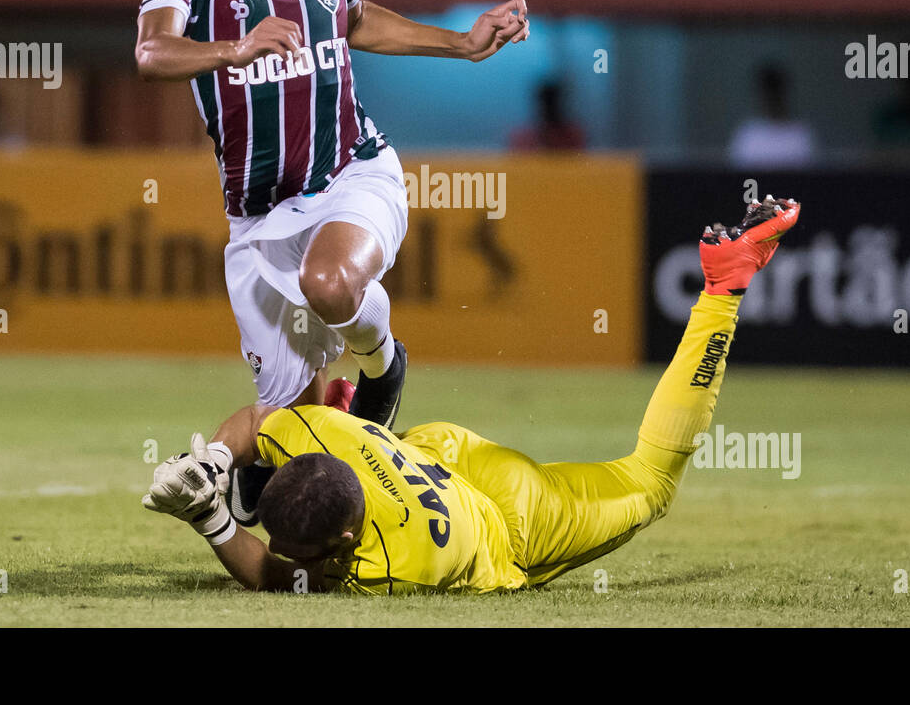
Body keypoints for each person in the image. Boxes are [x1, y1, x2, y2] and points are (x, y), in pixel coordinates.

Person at [133, 0, 530, 522]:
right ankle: (254, 484)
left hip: (353, 171)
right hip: (257, 220)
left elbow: (352, 20)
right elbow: (152, 53)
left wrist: (463, 45)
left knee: (328, 281)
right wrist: (233, 48)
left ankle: (382, 363)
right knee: (282, 458)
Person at [142, 195, 801, 593]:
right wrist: (216, 463)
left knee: (651, 482)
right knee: (347, 429)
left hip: (504, 525)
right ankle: (376, 388)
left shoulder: (393, 568)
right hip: (447, 457)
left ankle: (723, 289)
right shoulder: (326, 442)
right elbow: (265, 421)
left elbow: (279, 580)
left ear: (342, 542)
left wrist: (213, 512)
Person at [728, 64, 816, 169]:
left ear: (784, 94)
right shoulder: (747, 135)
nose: (772, 99)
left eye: (775, 93)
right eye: (768, 93)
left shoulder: (802, 135)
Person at [508, 80, 586, 151]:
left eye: (553, 103)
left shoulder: (573, 136)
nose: (549, 108)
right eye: (547, 103)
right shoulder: (524, 138)